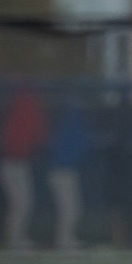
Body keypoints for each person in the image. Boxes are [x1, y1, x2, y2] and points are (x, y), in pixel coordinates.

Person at [0, 83, 45, 249]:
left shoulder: (27, 106)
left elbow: (36, 136)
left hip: (20, 162)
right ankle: (14, 240)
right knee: (20, 202)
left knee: (24, 202)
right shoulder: (21, 106)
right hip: (10, 162)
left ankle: (16, 238)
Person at [47, 102, 90, 250]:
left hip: (68, 172)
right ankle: (63, 241)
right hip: (60, 173)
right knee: (68, 209)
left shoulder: (72, 127)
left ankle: (67, 239)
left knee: (73, 209)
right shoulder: (69, 128)